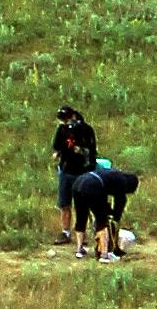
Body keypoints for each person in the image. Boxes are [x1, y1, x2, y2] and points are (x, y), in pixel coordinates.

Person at [49, 105, 141, 258]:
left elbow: (91, 151)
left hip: (82, 175)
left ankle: (80, 249)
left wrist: (81, 151)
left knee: (83, 213)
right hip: (76, 176)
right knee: (97, 217)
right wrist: (111, 217)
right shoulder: (119, 182)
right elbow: (117, 204)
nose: (65, 122)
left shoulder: (85, 130)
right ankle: (104, 253)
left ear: (73, 116)